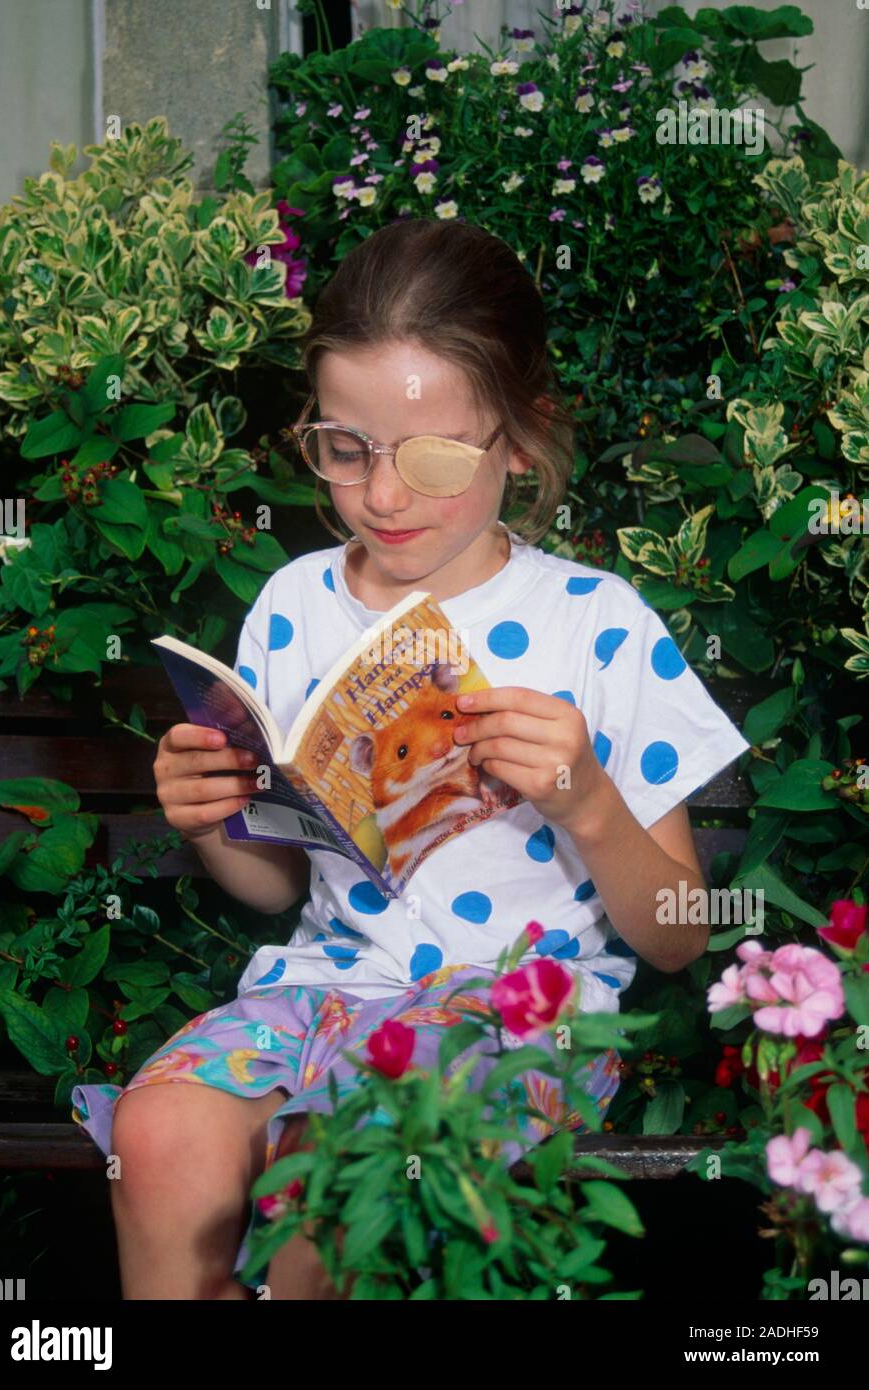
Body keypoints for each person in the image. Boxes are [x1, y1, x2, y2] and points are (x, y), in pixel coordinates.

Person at [72, 217, 750, 1300]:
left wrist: (585, 806)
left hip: (510, 1019)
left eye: (431, 456)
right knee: (157, 1136)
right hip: (323, 987)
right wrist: (212, 820)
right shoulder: (294, 606)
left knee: (337, 1176)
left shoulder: (593, 621)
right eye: (345, 449)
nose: (382, 495)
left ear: (521, 440)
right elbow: (275, 884)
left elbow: (673, 940)